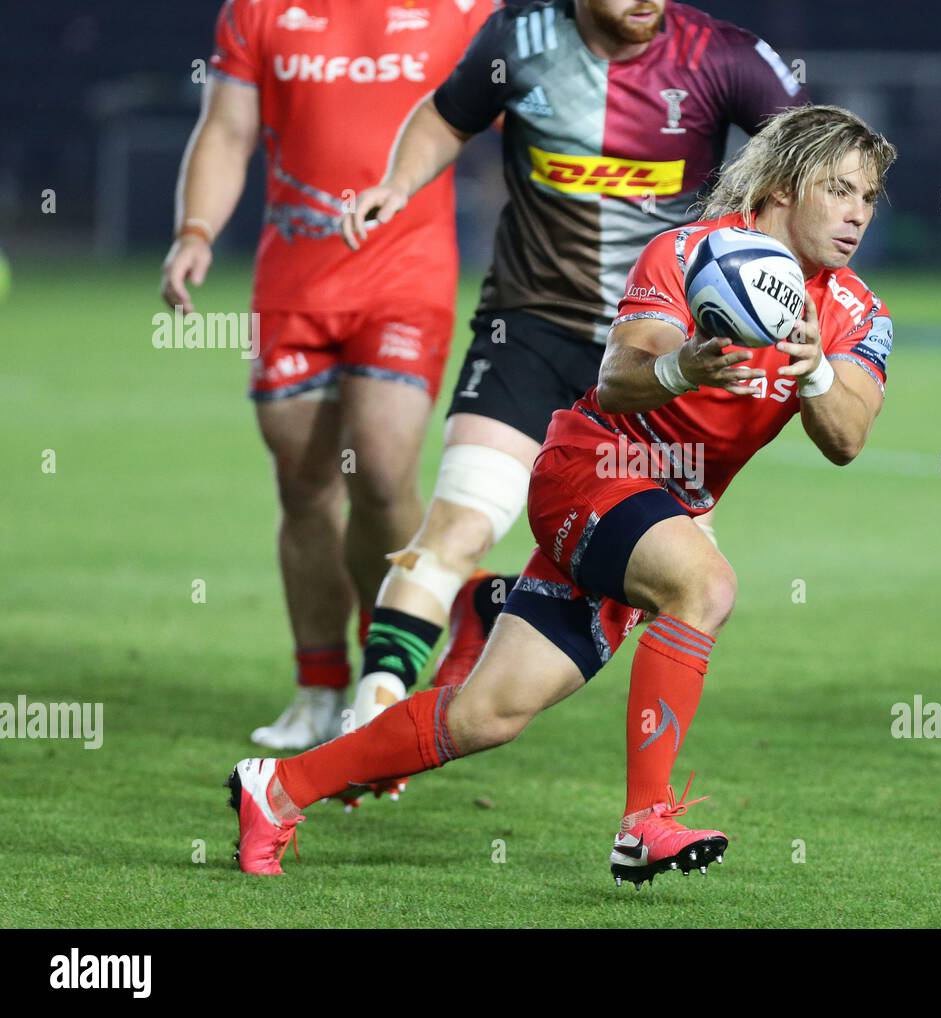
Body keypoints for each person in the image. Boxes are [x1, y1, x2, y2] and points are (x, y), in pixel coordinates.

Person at [226, 104, 898, 881]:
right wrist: (685, 367)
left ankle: (276, 788)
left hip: (662, 511)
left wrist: (814, 366)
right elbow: (617, 380)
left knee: (487, 715)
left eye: (868, 198)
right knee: (704, 585)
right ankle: (646, 823)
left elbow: (846, 438)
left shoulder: (856, 311)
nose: (857, 215)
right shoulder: (684, 255)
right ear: (782, 184)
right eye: (840, 190)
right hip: (596, 468)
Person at [336, 0, 808, 771]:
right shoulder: (518, 39)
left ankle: (506, 645)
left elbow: (809, 159)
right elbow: (444, 117)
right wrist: (396, 183)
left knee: (681, 585)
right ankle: (369, 717)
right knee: (458, 528)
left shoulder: (723, 55)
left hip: (656, 354)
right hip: (530, 331)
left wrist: (781, 276)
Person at [161, 0, 493, 750]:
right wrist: (194, 231)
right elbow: (227, 128)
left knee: (380, 469)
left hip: (405, 276)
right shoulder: (260, 10)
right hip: (296, 281)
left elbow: (521, 114)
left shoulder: (464, 11)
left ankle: (389, 676)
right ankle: (318, 685)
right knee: (304, 481)